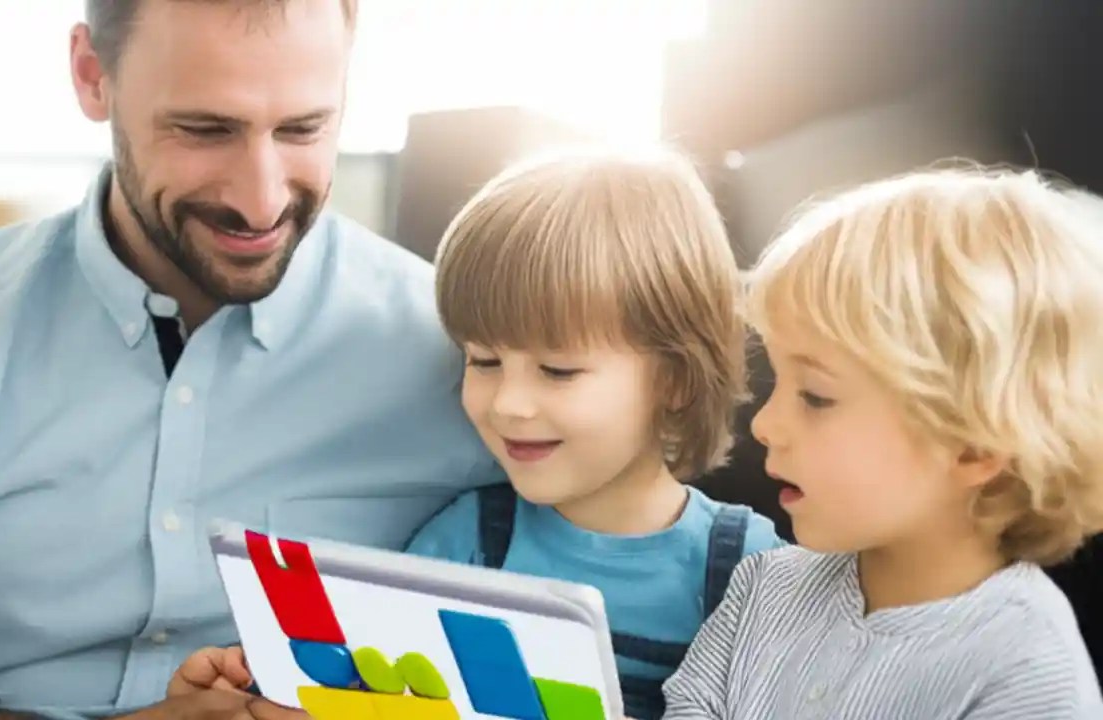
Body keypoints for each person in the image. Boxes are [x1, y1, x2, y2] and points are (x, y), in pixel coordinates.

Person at [0, 1, 496, 719]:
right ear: (92, 76)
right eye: (204, 130)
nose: (262, 200)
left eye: (303, 128)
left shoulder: (462, 352)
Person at [167, 147, 784, 720]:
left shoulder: (747, 571)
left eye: (558, 370)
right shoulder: (466, 540)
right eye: (483, 361)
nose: (509, 404)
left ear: (674, 380)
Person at [663, 167, 1103, 719]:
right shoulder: (763, 587)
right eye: (779, 383)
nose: (765, 426)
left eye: (816, 396)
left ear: (973, 445)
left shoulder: (1029, 672)